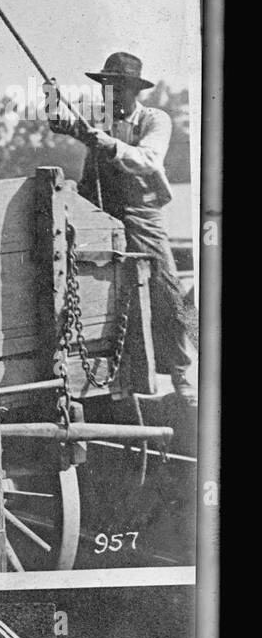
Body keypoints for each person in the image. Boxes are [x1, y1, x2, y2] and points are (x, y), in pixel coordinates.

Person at [48, 52, 197, 405]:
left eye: (117, 88)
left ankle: (182, 376)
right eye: (105, 87)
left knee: (168, 291)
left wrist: (108, 143)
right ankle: (103, 372)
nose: (109, 95)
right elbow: (62, 124)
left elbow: (148, 159)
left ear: (133, 90)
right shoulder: (100, 118)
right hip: (101, 212)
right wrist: (51, 100)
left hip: (142, 214)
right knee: (89, 286)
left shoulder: (153, 119)